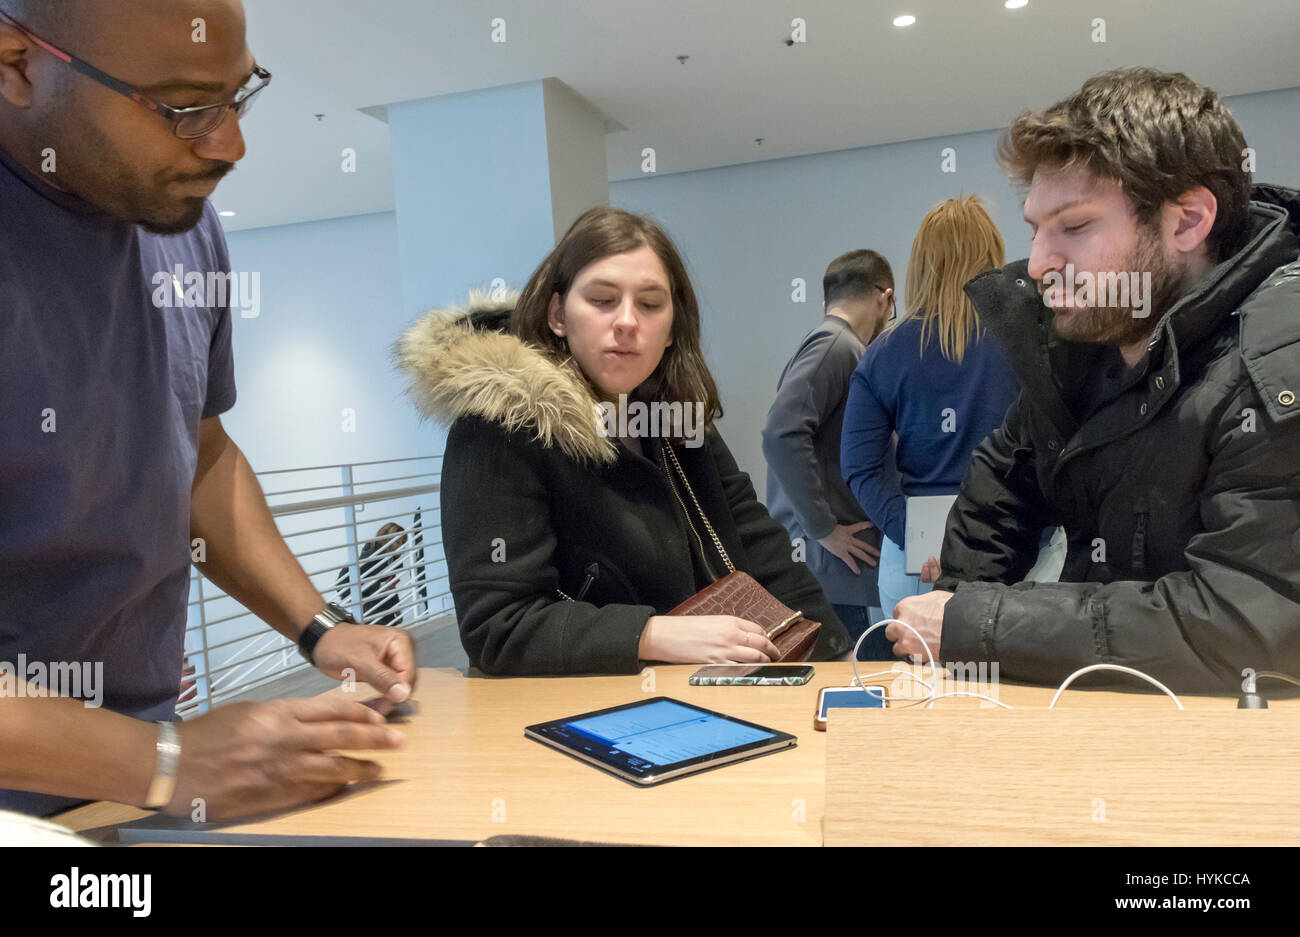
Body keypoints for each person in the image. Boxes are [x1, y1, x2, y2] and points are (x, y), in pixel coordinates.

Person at [0, 0, 414, 820]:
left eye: (240, 95)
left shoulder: (185, 229)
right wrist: (165, 762)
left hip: (133, 786)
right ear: (16, 61)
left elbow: (200, 456)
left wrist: (319, 626)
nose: (229, 144)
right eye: (184, 109)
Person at [888, 67, 1300, 691]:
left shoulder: (1278, 361)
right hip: (1110, 719)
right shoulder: (1086, 344)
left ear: (1188, 221)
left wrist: (976, 626)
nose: (1039, 262)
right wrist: (948, 626)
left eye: (1075, 227)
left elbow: (1243, 622)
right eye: (1035, 229)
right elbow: (1001, 486)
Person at [397, 206, 851, 675]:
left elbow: (761, 546)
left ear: (673, 328)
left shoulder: (675, 419)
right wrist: (653, 634)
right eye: (602, 300)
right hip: (573, 717)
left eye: (651, 304)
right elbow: (497, 626)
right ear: (558, 314)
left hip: (701, 697)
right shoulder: (499, 427)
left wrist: (837, 652)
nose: (628, 321)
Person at [841, 196, 1020, 621]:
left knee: (911, 688)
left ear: (921, 263)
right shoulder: (1029, 342)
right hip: (1014, 548)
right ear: (992, 256)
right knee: (1015, 686)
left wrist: (916, 537)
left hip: (917, 563)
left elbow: (860, 468)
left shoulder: (882, 354)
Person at [762, 250, 891, 657]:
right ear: (884, 299)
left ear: (825, 301)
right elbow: (780, 432)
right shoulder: (837, 345)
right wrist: (824, 529)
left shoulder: (837, 345)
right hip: (834, 571)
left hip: (839, 571)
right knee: (857, 697)